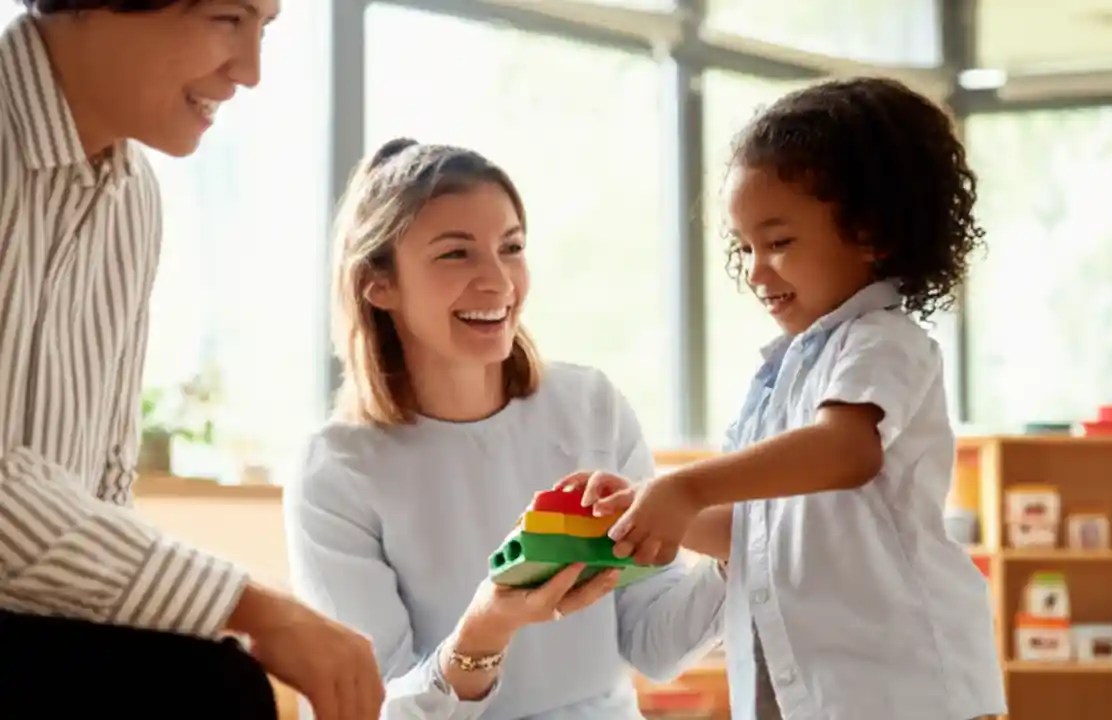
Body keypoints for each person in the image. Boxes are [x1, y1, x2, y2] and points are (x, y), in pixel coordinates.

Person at [560, 78, 1007, 719]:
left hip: (902, 691)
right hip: (798, 692)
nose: (755, 271)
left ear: (871, 232)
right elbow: (753, 537)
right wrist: (647, 511)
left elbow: (847, 450)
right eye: (744, 247)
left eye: (778, 243)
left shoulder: (882, 341)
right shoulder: (779, 380)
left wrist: (686, 489)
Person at [0, 3, 382, 719]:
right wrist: (252, 604)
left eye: (263, 29)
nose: (251, 71)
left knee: (204, 680)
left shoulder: (131, 199)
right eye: (226, 18)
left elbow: (100, 489)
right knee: (209, 689)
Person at [283, 139, 727, 719]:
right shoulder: (336, 470)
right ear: (378, 283)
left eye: (511, 247)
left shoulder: (591, 406)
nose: (498, 281)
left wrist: (737, 554)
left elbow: (654, 641)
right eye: (455, 254)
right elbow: (375, 710)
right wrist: (487, 627)